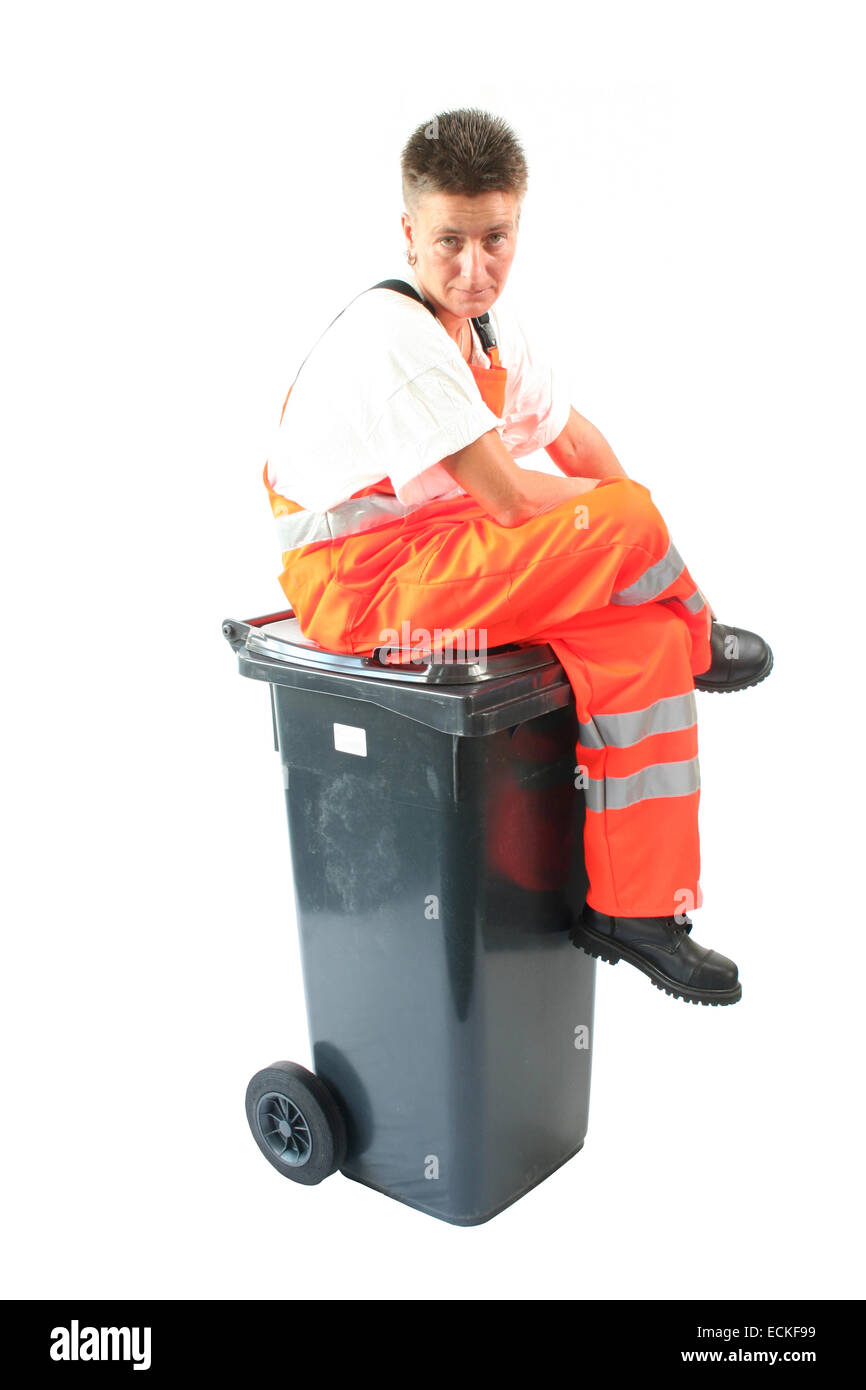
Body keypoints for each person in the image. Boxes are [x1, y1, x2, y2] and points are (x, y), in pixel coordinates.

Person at [262, 108, 772, 1007]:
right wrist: (627, 524)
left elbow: (575, 444)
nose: (473, 267)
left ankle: (636, 911)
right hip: (361, 584)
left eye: (495, 239)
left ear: (516, 227)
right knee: (626, 528)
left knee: (638, 649)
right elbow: (507, 496)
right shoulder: (397, 336)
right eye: (450, 241)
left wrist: (624, 523)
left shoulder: (494, 334)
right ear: (410, 233)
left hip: (443, 554)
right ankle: (700, 637)